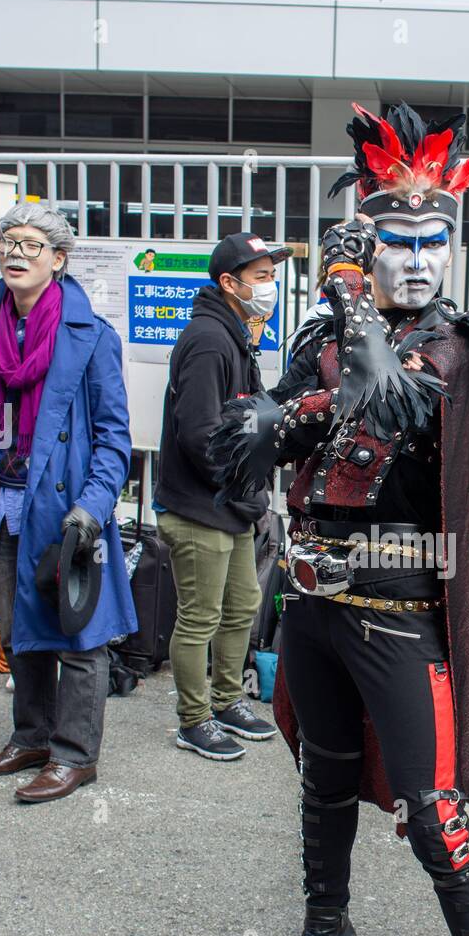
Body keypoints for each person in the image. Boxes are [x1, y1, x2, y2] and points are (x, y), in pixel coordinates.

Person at [210, 102, 469, 936]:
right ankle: (328, 925)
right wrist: (286, 408)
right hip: (311, 603)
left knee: (433, 814)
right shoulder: (319, 334)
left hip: (403, 612)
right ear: (363, 241)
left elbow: (397, 403)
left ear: (453, 245)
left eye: (431, 240)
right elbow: (254, 442)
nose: (414, 261)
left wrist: (316, 383)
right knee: (321, 776)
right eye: (392, 241)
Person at [0, 202, 137, 802]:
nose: (15, 252)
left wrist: (91, 509)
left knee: (79, 637)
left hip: (68, 510)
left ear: (59, 260)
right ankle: (32, 737)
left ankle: (74, 754)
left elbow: (116, 437)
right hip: (2, 505)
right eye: (7, 241)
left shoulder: (91, 335)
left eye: (31, 244)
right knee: (18, 633)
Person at [154, 233, 292, 760]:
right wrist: (242, 488)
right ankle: (194, 719)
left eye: (272, 276)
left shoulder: (235, 335)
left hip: (230, 506)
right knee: (201, 617)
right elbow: (198, 432)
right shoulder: (210, 339)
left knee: (241, 608)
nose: (270, 286)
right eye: (260, 277)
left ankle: (229, 700)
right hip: (199, 509)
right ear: (229, 283)